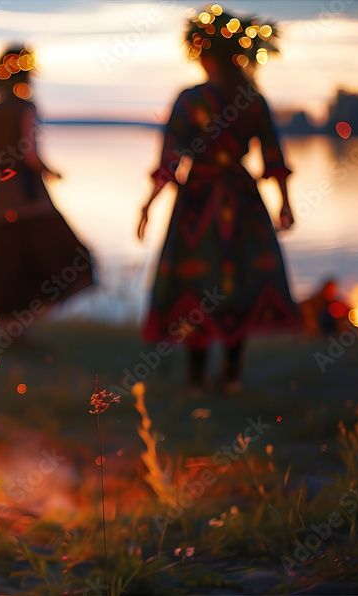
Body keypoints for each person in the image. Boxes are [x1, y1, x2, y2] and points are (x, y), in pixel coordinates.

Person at [137, 5, 301, 395]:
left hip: (198, 202)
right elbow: (274, 157)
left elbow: (169, 161)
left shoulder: (189, 100)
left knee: (196, 280)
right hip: (243, 199)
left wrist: (148, 204)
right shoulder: (253, 99)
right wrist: (285, 202)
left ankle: (195, 378)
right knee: (240, 280)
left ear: (205, 54)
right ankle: (232, 375)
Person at [0, 46, 97, 317]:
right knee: (60, 256)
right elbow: (30, 154)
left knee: (6, 262)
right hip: (29, 194)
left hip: (2, 193)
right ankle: (28, 322)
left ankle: (14, 327)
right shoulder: (25, 107)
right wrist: (51, 172)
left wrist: (2, 164)